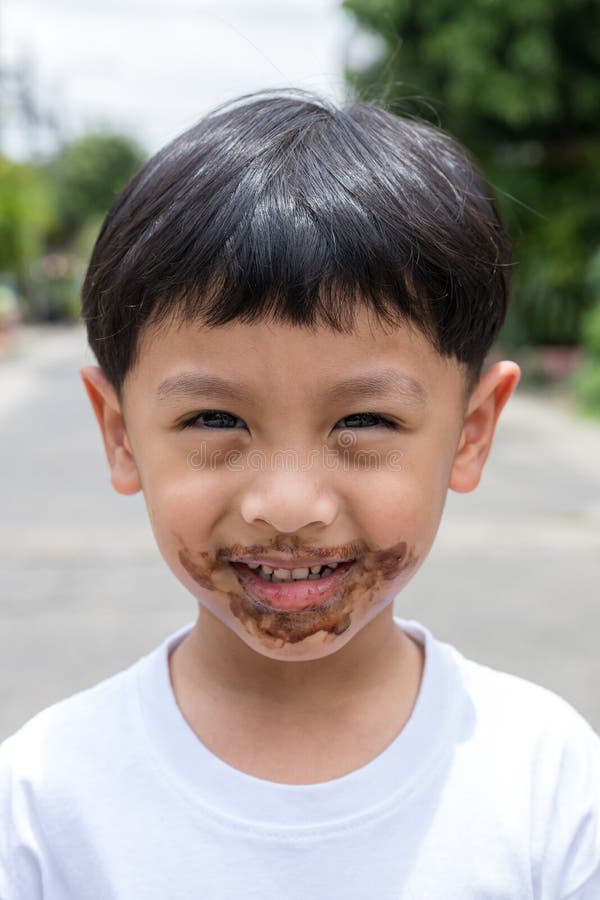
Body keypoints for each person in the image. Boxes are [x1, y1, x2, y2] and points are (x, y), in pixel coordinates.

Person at [1, 89, 598, 900]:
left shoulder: (548, 783)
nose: (287, 506)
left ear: (471, 432)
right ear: (118, 432)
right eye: (216, 417)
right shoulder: (42, 803)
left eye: (364, 419)